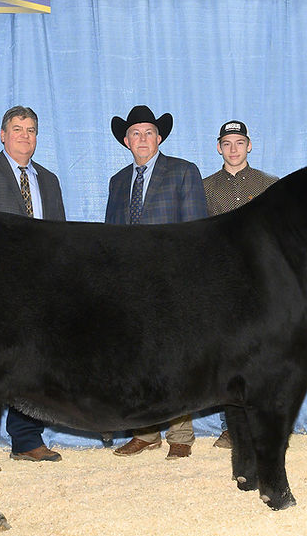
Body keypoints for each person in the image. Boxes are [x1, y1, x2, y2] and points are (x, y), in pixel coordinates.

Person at [0, 105, 64, 464]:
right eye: (17, 129)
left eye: (31, 130)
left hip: (41, 292)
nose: (24, 135)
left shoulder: (48, 180)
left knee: (33, 367)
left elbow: (59, 238)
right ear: (3, 135)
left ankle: (26, 440)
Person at [105, 105, 207, 459]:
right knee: (135, 360)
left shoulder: (183, 172)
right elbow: (110, 239)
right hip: (130, 287)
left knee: (175, 358)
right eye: (135, 134)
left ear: (159, 138)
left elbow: (197, 232)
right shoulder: (118, 182)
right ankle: (145, 432)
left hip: (171, 283)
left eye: (149, 132)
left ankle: (180, 434)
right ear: (126, 141)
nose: (142, 139)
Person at [202, 120, 278, 449]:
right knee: (227, 354)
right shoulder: (204, 188)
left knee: (265, 352)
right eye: (227, 143)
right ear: (219, 147)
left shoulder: (270, 184)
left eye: (240, 142)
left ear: (249, 146)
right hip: (222, 281)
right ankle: (232, 427)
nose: (234, 149)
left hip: (261, 280)